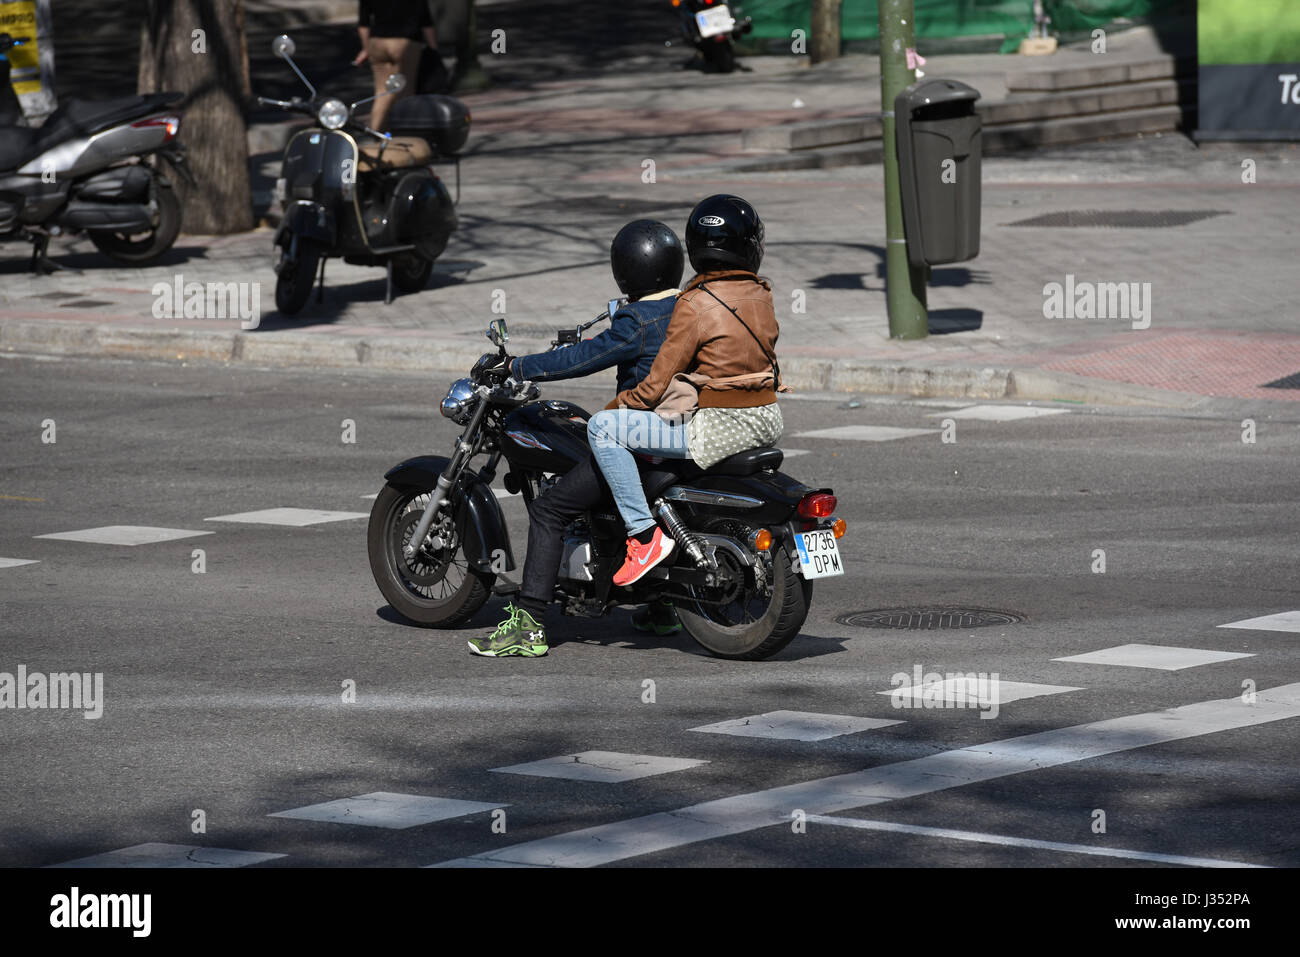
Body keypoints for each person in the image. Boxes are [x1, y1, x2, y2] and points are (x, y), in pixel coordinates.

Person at [468, 220, 687, 658]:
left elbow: (588, 356)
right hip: (686, 432)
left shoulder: (637, 320)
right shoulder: (688, 308)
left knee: (550, 509)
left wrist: (520, 367)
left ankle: (528, 624)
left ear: (625, 270)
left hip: (643, 438)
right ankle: (661, 607)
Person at [586, 194, 784, 589]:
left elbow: (655, 384)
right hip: (767, 419)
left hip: (718, 429)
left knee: (603, 428)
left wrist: (616, 407)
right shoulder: (762, 294)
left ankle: (643, 537)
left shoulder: (693, 303)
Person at [353, 0, 436, 132]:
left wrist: (366, 48)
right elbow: (426, 21)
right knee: (405, 92)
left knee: (381, 93)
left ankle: (377, 135)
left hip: (377, 42)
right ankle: (404, 134)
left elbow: (363, 24)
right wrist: (433, 48)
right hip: (405, 42)